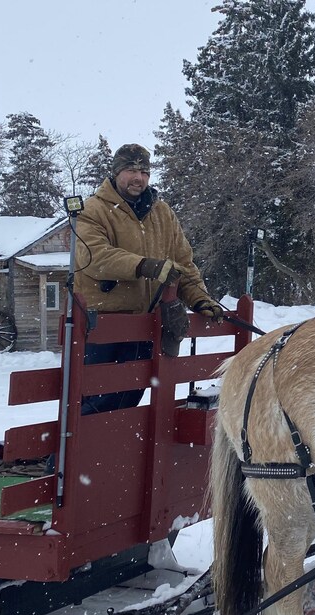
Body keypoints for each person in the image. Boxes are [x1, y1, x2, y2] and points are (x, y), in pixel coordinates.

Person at [73, 143, 224, 415]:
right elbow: (93, 257)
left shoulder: (162, 213)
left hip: (145, 325)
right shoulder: (92, 210)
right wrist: (145, 266)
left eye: (144, 171)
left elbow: (182, 263)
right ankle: (72, 456)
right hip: (103, 324)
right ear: (116, 172)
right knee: (96, 400)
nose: (138, 177)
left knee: (127, 400)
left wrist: (199, 298)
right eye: (131, 170)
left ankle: (109, 453)